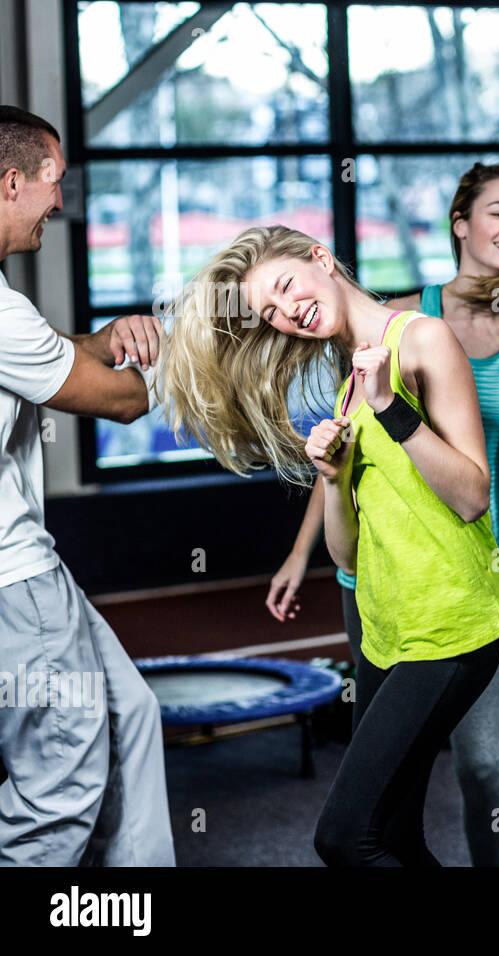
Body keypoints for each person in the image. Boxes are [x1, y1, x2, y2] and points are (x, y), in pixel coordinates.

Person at [160, 225, 499, 866]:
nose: (287, 312)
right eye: (270, 314)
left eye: (284, 287)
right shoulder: (347, 389)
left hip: (450, 625)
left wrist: (392, 407)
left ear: (320, 259)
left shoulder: (420, 338)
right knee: (393, 835)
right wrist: (332, 481)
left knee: (344, 837)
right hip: (388, 628)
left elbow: (472, 493)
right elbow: (349, 556)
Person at [267, 163, 499, 865]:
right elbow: (349, 459)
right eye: (498, 213)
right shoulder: (399, 317)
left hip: (464, 571)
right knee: (389, 802)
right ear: (460, 223)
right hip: (377, 578)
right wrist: (300, 552)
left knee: (481, 762)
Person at [0, 105, 173, 865]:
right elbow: (124, 401)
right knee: (58, 791)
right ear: (10, 182)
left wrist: (102, 342)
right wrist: (188, 349)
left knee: (129, 713)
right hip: (18, 581)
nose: (60, 202)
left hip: (30, 576)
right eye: (51, 181)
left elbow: (41, 352)